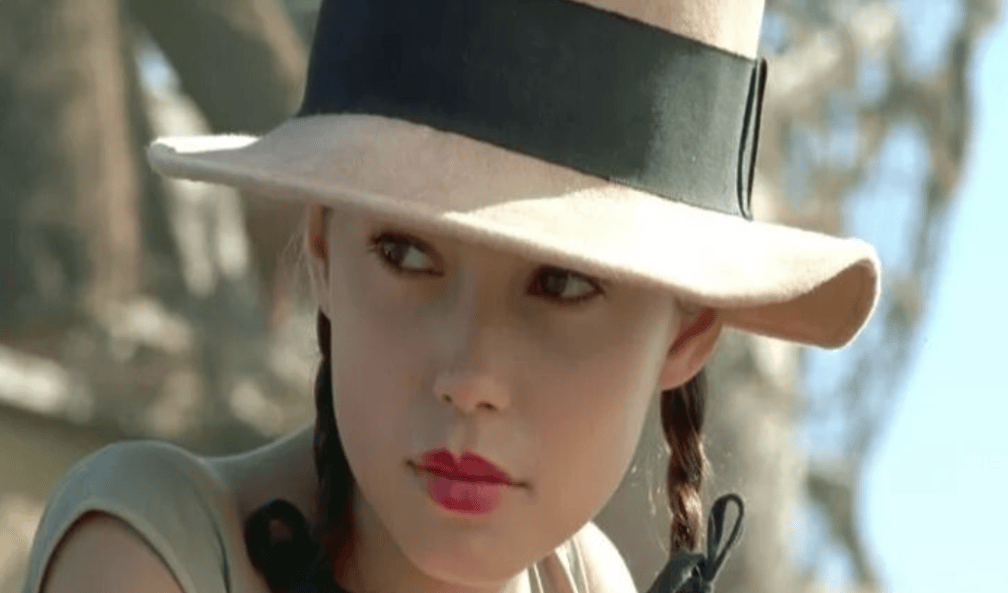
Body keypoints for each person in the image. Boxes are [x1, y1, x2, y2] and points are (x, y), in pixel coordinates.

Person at [22, 0, 880, 592]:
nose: (470, 375)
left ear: (686, 332)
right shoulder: (149, 557)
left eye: (562, 282)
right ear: (323, 249)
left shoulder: (584, 579)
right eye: (406, 253)